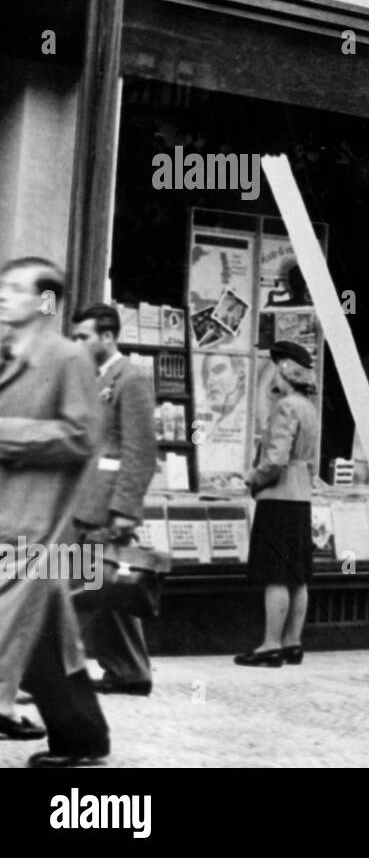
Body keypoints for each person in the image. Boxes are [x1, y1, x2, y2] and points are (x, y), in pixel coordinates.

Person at [0, 257, 111, 766]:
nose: (4, 295)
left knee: (30, 625)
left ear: (45, 301)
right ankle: (81, 737)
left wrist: (10, 435)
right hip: (11, 521)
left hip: (35, 524)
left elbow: (84, 435)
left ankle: (81, 738)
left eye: (18, 288)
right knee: (42, 633)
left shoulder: (67, 358)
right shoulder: (9, 355)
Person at [69, 303, 158, 695]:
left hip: (105, 506)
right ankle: (132, 671)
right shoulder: (92, 376)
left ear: (108, 337)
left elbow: (140, 451)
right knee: (108, 590)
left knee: (78, 589)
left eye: (83, 337)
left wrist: (125, 510)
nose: (77, 344)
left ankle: (52, 672)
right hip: (85, 501)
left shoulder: (131, 378)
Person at [235, 340, 319, 667]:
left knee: (275, 575)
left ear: (285, 370)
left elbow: (275, 459)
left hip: (278, 498)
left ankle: (270, 645)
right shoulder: (308, 407)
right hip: (301, 497)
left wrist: (252, 477)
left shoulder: (285, 407)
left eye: (276, 367)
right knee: (298, 576)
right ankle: (292, 643)